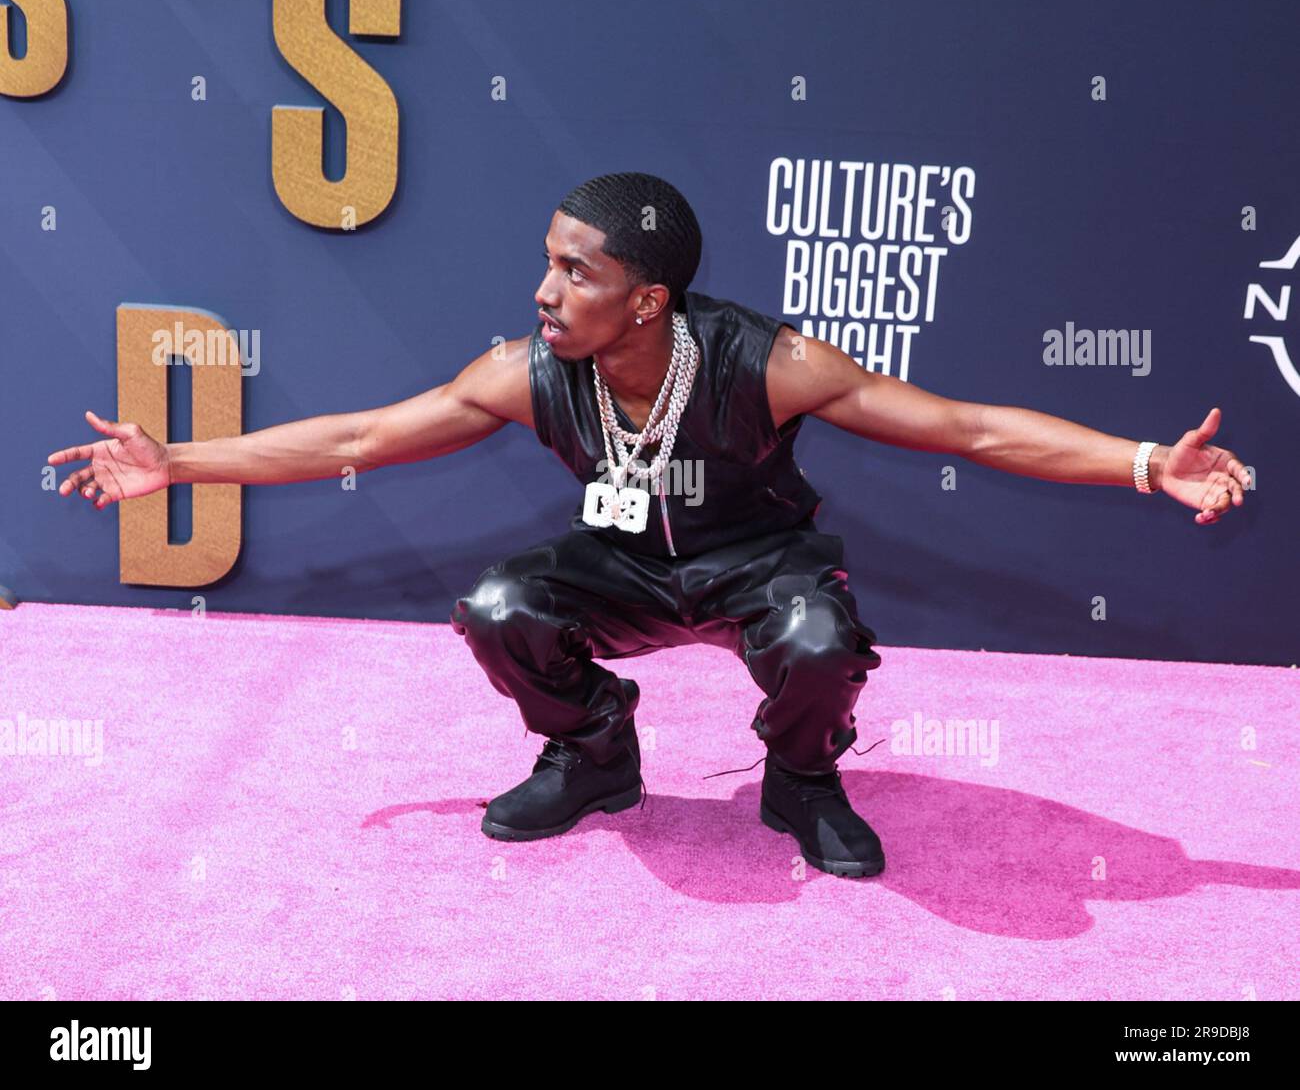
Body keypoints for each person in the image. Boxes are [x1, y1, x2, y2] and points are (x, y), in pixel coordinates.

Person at [46, 172, 1252, 879]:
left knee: (819, 638)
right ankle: (593, 753)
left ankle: (798, 778)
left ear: (649, 299)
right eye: (546, 264)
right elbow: (360, 436)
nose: (544, 290)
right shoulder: (530, 369)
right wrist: (179, 462)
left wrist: (1147, 462)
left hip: (756, 565)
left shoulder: (765, 361)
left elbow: (969, 430)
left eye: (575, 272)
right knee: (502, 606)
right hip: (620, 564)